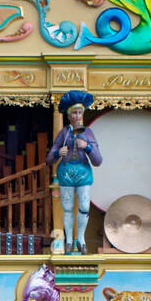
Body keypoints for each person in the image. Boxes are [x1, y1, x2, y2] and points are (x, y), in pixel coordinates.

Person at [46, 91, 102, 254]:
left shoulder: (88, 133)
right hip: (66, 173)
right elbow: (49, 159)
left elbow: (98, 160)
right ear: (69, 115)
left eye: (79, 113)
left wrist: (88, 147)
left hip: (83, 173)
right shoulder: (63, 133)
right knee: (68, 207)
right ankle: (69, 240)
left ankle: (81, 239)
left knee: (84, 206)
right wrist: (58, 153)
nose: (77, 116)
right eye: (74, 113)